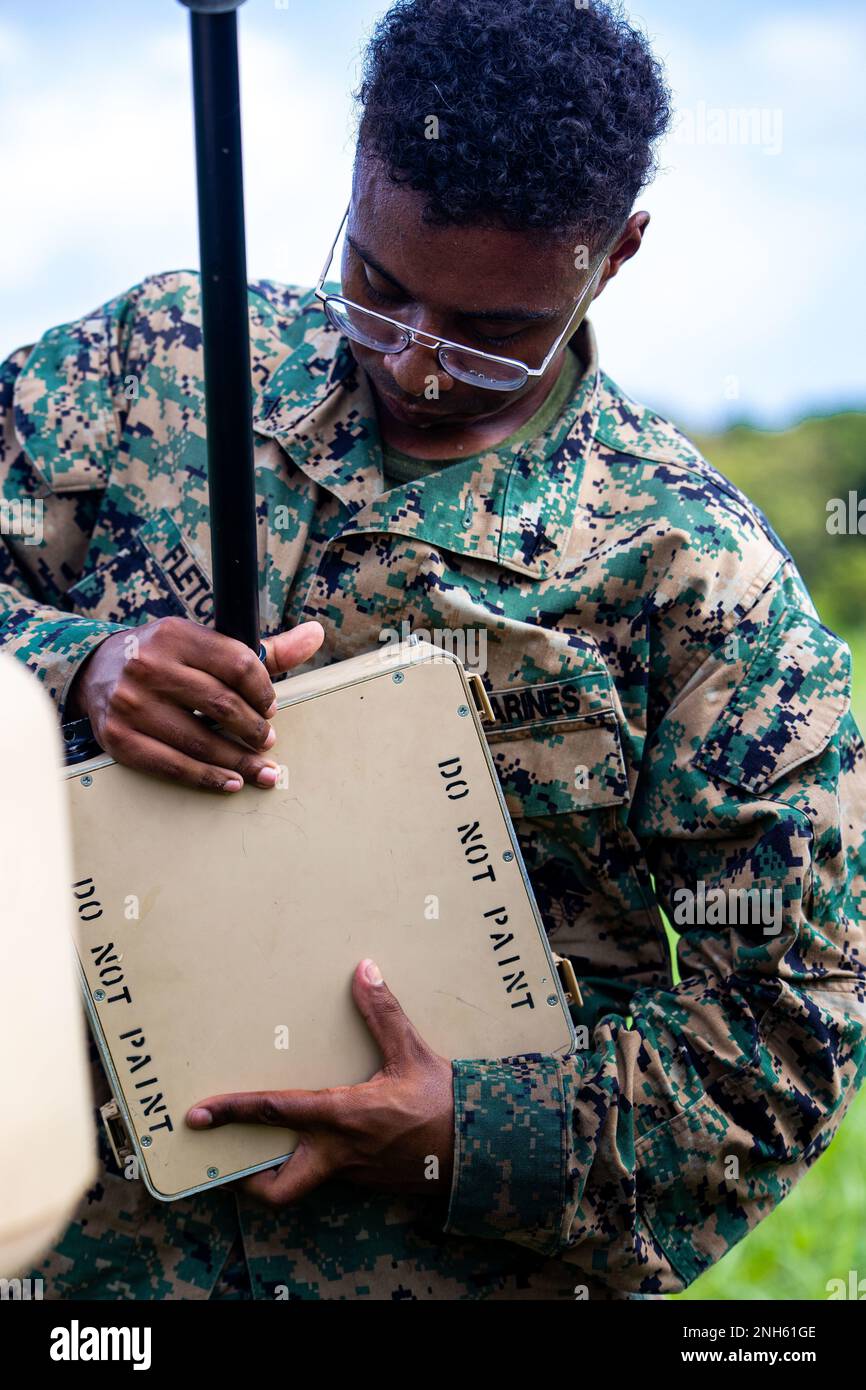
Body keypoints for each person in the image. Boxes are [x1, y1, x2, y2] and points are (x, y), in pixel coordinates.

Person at [1, 0, 864, 1301]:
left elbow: (790, 1021)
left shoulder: (692, 581)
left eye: (491, 331)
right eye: (377, 287)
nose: (413, 367)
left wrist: (469, 1130)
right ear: (355, 166)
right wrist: (77, 663)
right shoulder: (153, 370)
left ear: (613, 252)